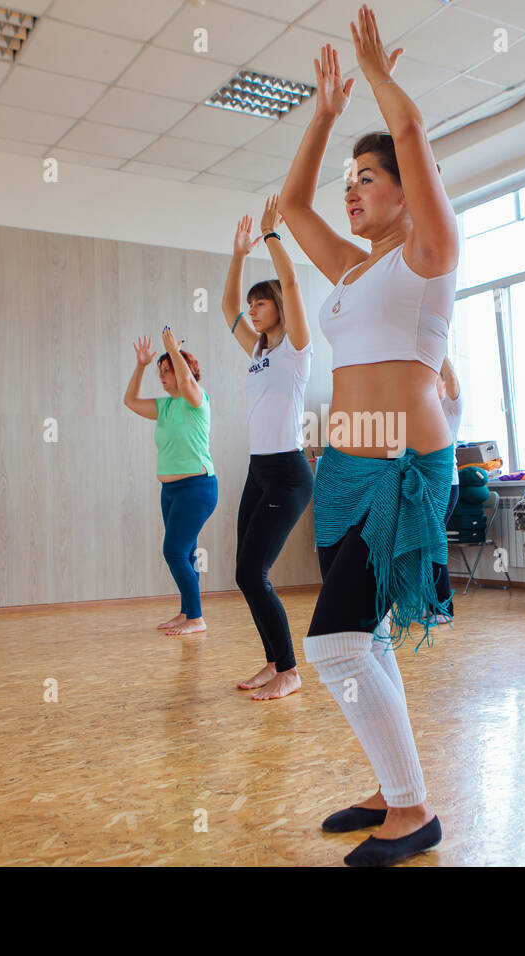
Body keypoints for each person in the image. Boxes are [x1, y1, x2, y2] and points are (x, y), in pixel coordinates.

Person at [278, 5, 458, 867]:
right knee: (368, 637)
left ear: (404, 187)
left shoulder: (429, 252)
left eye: (367, 175)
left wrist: (377, 79)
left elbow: (413, 128)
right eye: (350, 176)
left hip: (404, 468)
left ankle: (414, 811)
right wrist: (320, 117)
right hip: (350, 467)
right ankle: (394, 789)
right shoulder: (353, 270)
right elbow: (288, 204)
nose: (352, 189)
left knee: (336, 640)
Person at [222, 196, 315, 701]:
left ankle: (290, 671)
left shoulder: (295, 351)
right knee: (245, 572)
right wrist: (239, 253)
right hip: (259, 471)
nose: (252, 310)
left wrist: (272, 236)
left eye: (261, 302)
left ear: (279, 306)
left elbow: (295, 283)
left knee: (250, 571)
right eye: (252, 304)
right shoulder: (257, 351)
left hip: (288, 474)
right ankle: (273, 661)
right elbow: (225, 308)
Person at [122, 328, 218, 637]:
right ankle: (187, 611)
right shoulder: (165, 407)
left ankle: (197, 618)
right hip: (171, 491)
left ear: (182, 371)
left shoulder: (197, 400)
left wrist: (173, 351)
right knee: (186, 553)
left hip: (198, 487)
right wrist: (141, 365)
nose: (162, 376)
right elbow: (130, 400)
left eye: (167, 371)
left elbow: (188, 382)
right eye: (160, 371)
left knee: (174, 551)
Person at [433, 356, 461, 623]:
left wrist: (437, 347)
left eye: (436, 379)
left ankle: (442, 608)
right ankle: (430, 605)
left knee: (433, 541)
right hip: (425, 486)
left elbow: (452, 380)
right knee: (422, 544)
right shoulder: (420, 410)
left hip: (446, 484)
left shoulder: (450, 409)